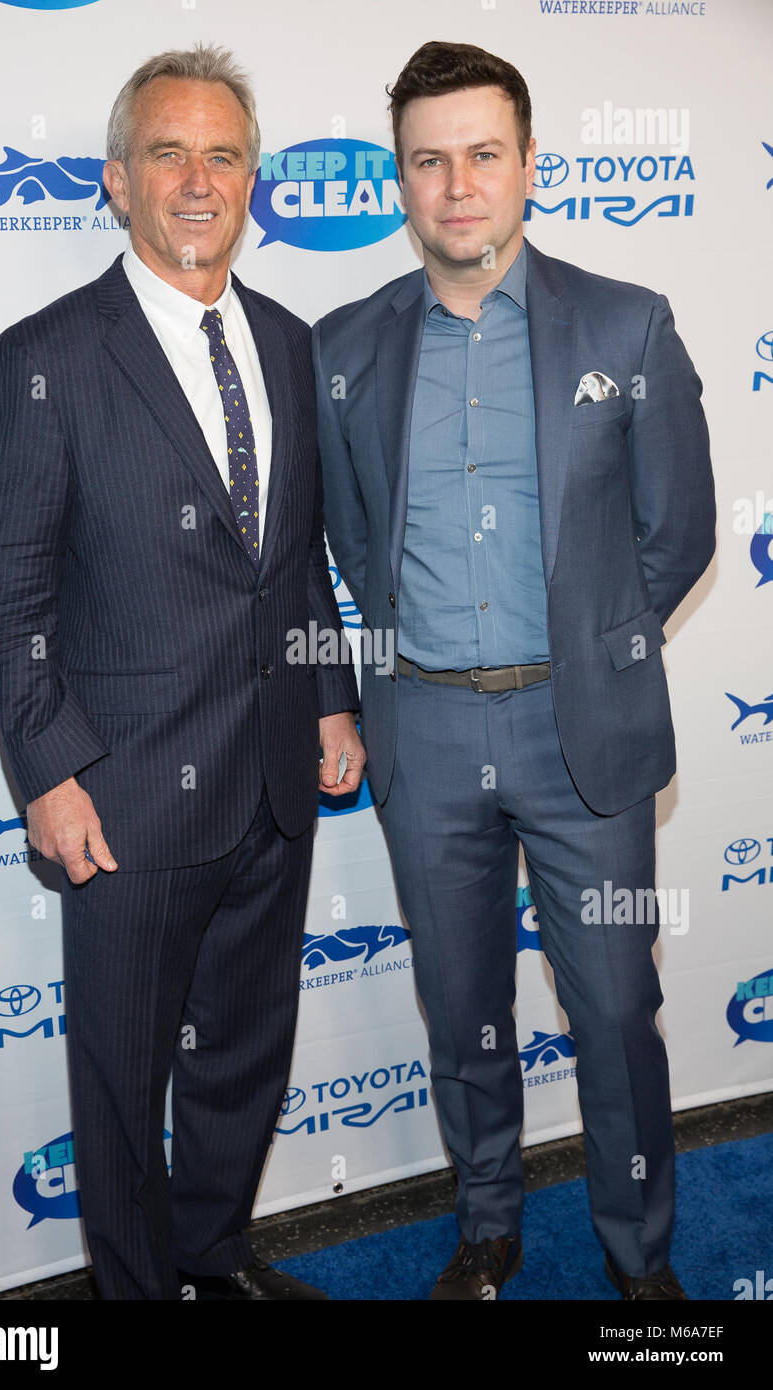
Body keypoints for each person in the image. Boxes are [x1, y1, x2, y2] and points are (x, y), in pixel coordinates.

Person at [312, 40, 715, 1301]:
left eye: (483, 154)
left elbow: (679, 529)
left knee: (609, 1012)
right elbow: (340, 544)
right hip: (423, 737)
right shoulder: (343, 349)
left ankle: (638, 1262)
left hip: (577, 734)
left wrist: (583, 652)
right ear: (399, 181)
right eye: (428, 161)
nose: (458, 184)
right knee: (463, 1010)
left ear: (528, 165)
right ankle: (486, 1230)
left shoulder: (625, 322)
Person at [0, 42, 364, 1301]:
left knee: (243, 1049)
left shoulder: (292, 347)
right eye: (167, 152)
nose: (198, 180)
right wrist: (47, 773)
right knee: (121, 1070)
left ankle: (214, 1250)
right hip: (124, 800)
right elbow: (12, 590)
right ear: (116, 179)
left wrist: (333, 689)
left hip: (268, 780)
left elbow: (289, 553)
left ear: (251, 180)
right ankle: (135, 1292)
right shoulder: (48, 355)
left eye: (224, 155)